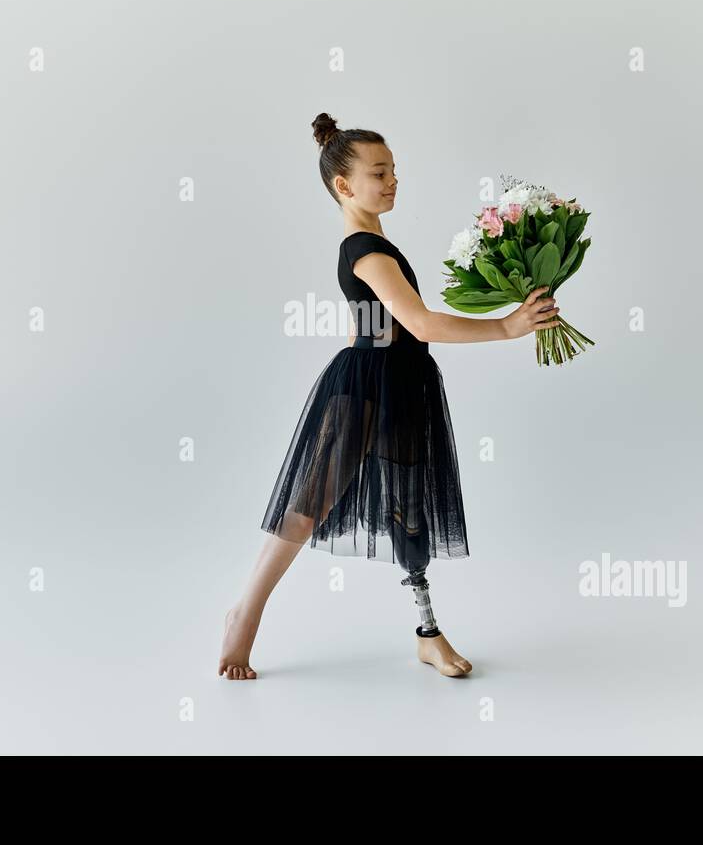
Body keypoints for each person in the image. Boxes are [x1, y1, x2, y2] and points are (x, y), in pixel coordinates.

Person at [218, 113, 560, 680]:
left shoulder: (374, 241)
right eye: (379, 173)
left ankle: (428, 634)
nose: (393, 181)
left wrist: (370, 348)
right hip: (368, 391)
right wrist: (506, 326)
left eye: (395, 170)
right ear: (343, 186)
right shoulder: (366, 250)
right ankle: (244, 616)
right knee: (309, 507)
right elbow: (421, 324)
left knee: (409, 509)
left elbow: (370, 322)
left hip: (395, 384)